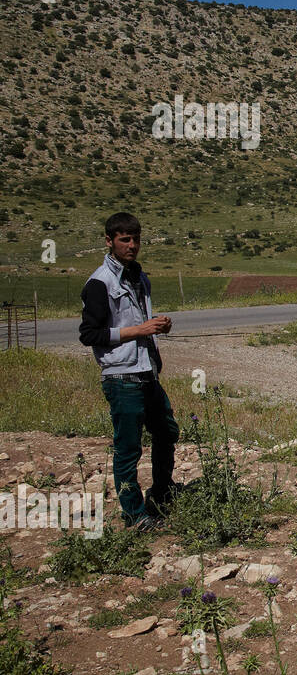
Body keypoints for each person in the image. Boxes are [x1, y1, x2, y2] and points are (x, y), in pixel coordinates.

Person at [79, 212, 179, 530]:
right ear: (109, 241)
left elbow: (139, 323)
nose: (132, 245)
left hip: (146, 370)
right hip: (121, 376)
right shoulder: (99, 283)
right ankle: (134, 516)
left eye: (136, 238)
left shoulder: (139, 277)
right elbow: (89, 334)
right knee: (128, 447)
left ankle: (161, 494)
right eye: (124, 239)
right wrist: (139, 330)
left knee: (166, 432)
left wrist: (157, 327)